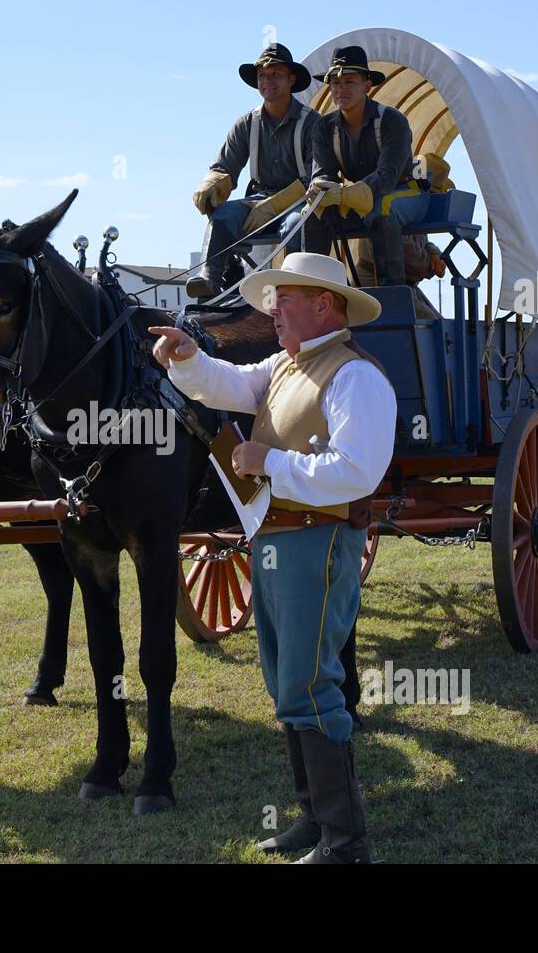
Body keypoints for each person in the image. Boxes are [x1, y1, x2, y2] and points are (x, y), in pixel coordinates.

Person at [150, 252, 396, 863]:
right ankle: (315, 823)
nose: (271, 310)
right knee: (288, 684)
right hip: (280, 542)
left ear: (324, 305)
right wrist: (187, 357)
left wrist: (271, 464)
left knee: (310, 685)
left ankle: (347, 842)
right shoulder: (288, 365)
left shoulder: (354, 376)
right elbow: (229, 384)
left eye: (284, 299)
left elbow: (357, 472)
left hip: (317, 540)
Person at [187, 43, 321, 300]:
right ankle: (211, 279)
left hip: (300, 201)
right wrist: (212, 184)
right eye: (263, 75)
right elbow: (224, 166)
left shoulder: (311, 122)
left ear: (291, 79)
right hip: (260, 198)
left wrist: (272, 207)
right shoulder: (247, 123)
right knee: (224, 214)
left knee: (296, 224)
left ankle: (295, 290)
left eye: (276, 74)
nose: (267, 81)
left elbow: (314, 180)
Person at [306, 46, 433, 286]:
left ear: (367, 85)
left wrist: (343, 195)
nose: (340, 89)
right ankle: (313, 290)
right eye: (335, 82)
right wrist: (321, 190)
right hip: (356, 197)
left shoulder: (392, 121)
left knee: (381, 209)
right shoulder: (324, 128)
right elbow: (323, 174)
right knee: (314, 212)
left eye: (349, 82)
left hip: (405, 191)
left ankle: (391, 295)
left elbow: (386, 177)